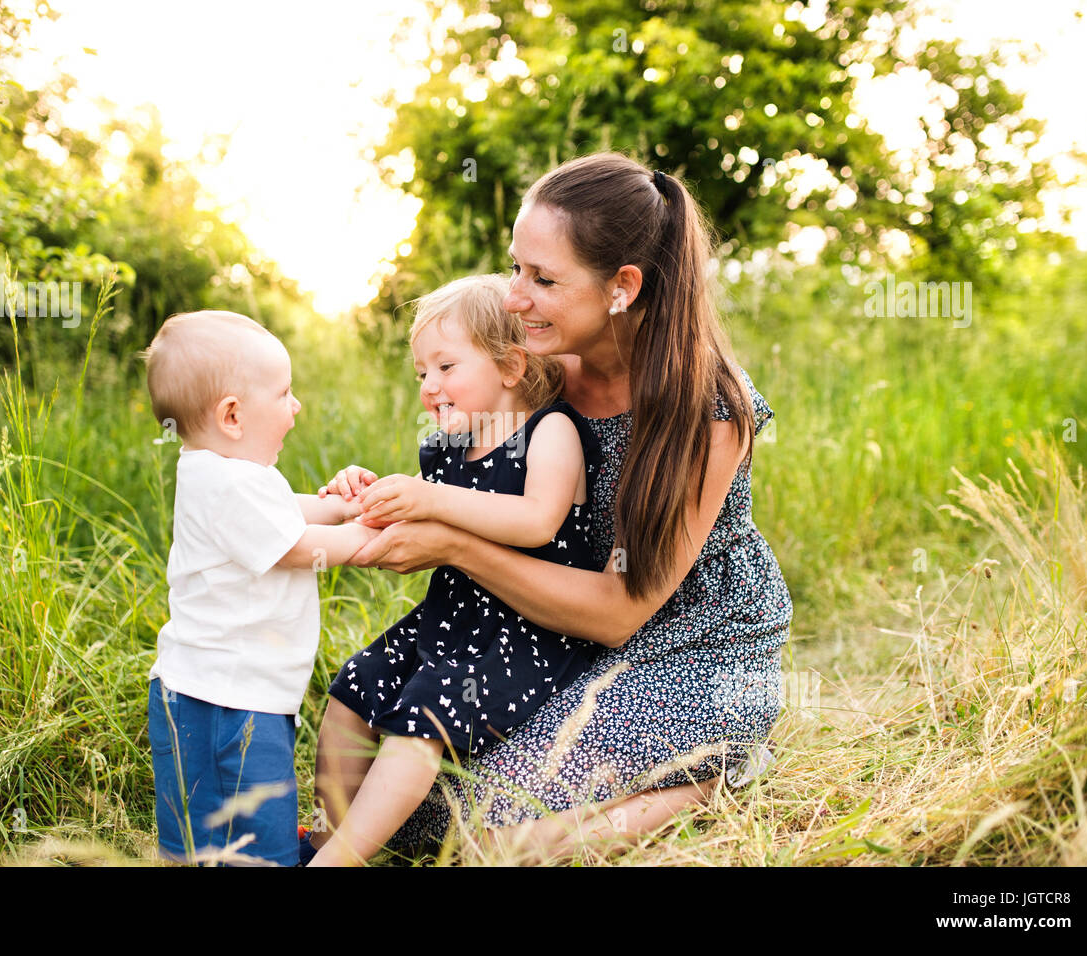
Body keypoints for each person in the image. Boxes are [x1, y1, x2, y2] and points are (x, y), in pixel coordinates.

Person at [338, 153, 794, 860]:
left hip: (694, 645)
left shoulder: (709, 409)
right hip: (557, 630)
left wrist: (455, 545)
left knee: (478, 837)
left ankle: (718, 768)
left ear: (623, 287)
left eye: (543, 279)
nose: (515, 298)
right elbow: (466, 467)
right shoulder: (539, 367)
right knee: (404, 803)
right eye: (515, 267)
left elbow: (620, 611)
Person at [306, 274, 606, 866]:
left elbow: (537, 521)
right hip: (451, 621)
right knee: (354, 688)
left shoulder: (552, 431)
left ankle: (337, 862)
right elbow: (411, 518)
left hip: (526, 632)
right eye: (422, 373)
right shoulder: (445, 449)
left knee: (425, 717)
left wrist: (430, 501)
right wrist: (357, 497)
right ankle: (323, 837)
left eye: (446, 367)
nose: (429, 386)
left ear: (511, 366)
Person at [140, 310, 377, 866]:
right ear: (232, 416)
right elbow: (294, 545)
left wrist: (344, 506)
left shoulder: (222, 471)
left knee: (204, 830)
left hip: (222, 693)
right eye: (284, 393)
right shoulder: (224, 482)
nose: (296, 407)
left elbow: (288, 510)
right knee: (243, 835)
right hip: (226, 701)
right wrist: (368, 538)